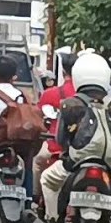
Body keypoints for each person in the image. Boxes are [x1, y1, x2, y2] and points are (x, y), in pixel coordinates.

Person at [40, 52, 111, 223]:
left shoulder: (69, 104)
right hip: (108, 167)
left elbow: (60, 139)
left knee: (47, 180)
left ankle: (52, 220)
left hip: (75, 163)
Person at [36, 52, 77, 203]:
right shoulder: (89, 96)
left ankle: (35, 198)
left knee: (37, 161)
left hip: (54, 145)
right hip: (83, 148)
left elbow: (39, 119)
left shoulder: (50, 93)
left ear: (64, 71)